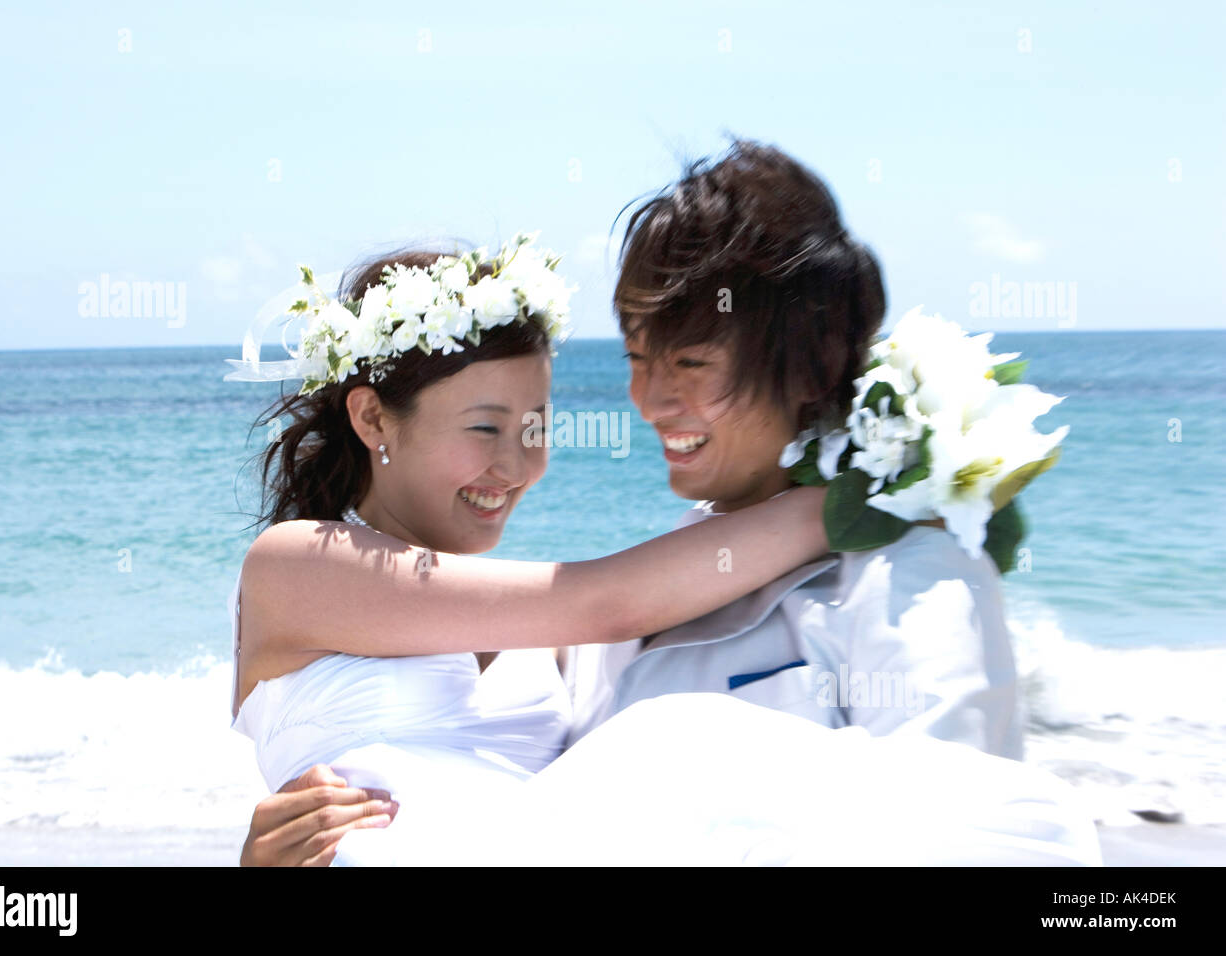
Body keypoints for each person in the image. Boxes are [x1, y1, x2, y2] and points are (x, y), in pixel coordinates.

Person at [233, 152, 1102, 866]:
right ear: (373, 418)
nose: (648, 400)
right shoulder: (607, 620)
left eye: (688, 364)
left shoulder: (905, 572)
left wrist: (888, 501)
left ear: (812, 363)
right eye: (638, 359)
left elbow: (960, 829)